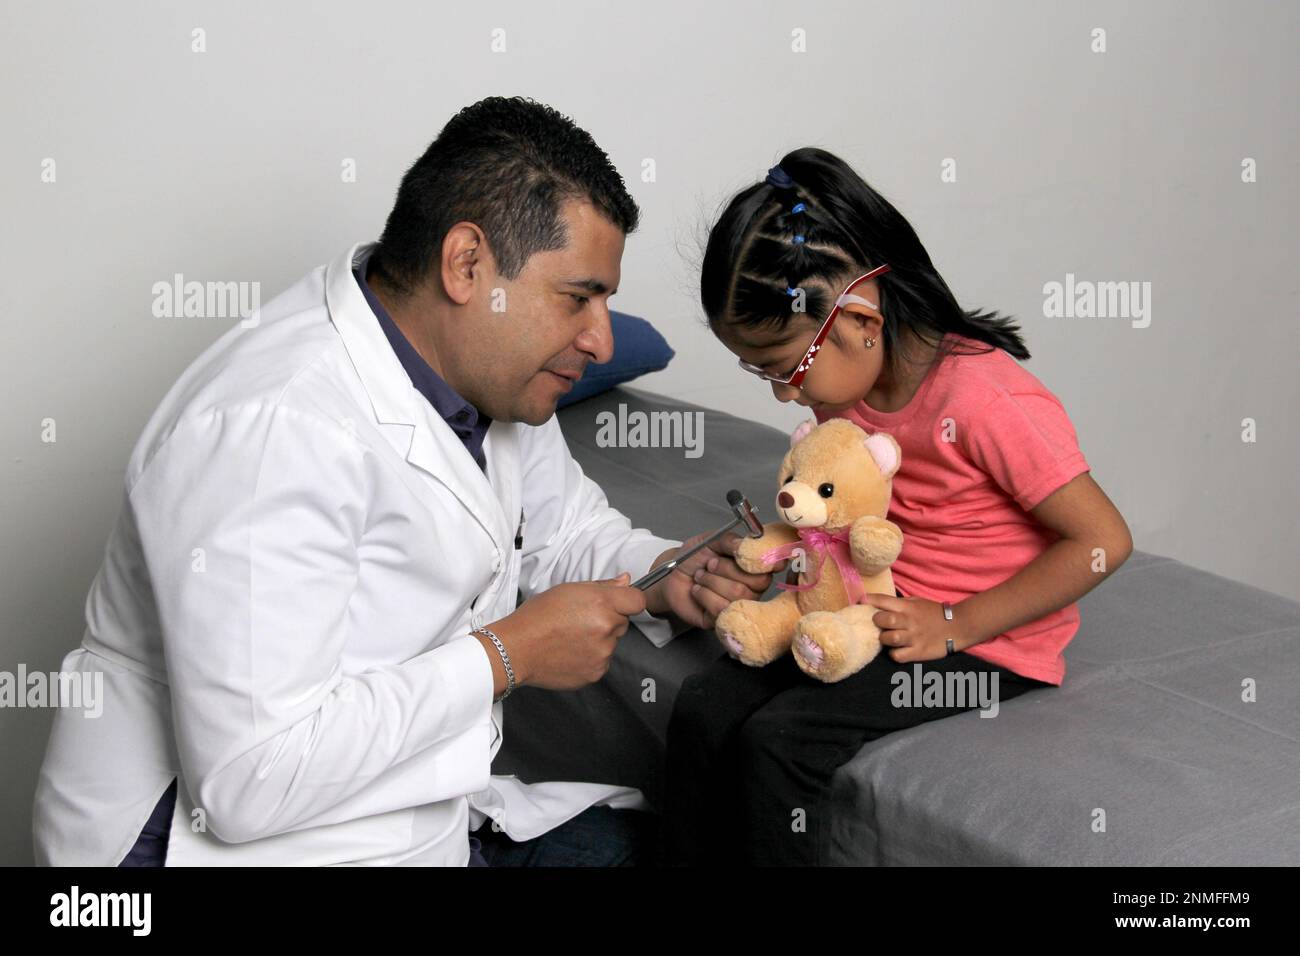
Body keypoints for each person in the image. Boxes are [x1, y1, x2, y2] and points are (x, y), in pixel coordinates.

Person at [33, 96, 771, 867]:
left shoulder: (495, 378)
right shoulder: (274, 429)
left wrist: (663, 576)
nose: (601, 338)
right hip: (216, 846)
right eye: (578, 297)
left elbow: (564, 534)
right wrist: (507, 655)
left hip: (408, 817)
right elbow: (252, 777)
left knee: (699, 847)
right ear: (465, 265)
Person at [661, 148, 1134, 866]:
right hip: (872, 602)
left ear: (858, 320)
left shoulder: (983, 400)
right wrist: (783, 553)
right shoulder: (845, 389)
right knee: (702, 704)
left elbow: (1104, 540)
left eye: (786, 368)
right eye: (761, 372)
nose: (784, 395)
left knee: (778, 741)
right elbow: (847, 508)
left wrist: (955, 623)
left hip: (983, 641)